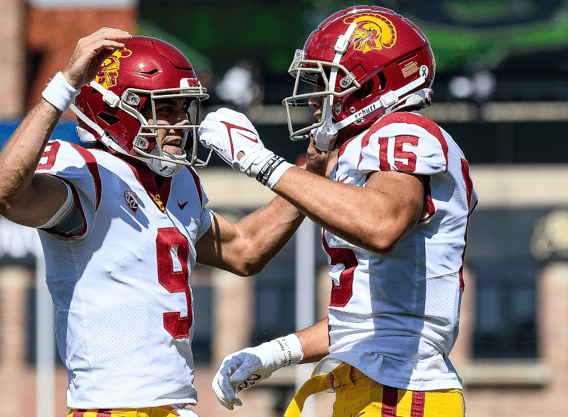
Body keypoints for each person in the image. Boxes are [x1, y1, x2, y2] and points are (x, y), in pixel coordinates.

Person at [0, 28, 325, 417]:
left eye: (183, 109)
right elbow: (4, 193)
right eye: (164, 110)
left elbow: (246, 249)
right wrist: (64, 85)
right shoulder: (90, 175)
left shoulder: (179, 183)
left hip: (170, 406)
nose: (180, 124)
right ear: (115, 111)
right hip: (111, 408)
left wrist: (309, 173)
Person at [202, 5, 477, 417]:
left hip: (401, 390)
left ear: (375, 83)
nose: (316, 98)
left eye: (329, 81)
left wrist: (259, 161)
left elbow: (381, 225)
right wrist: (278, 352)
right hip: (381, 387)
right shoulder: (363, 149)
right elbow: (367, 320)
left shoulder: (404, 130)